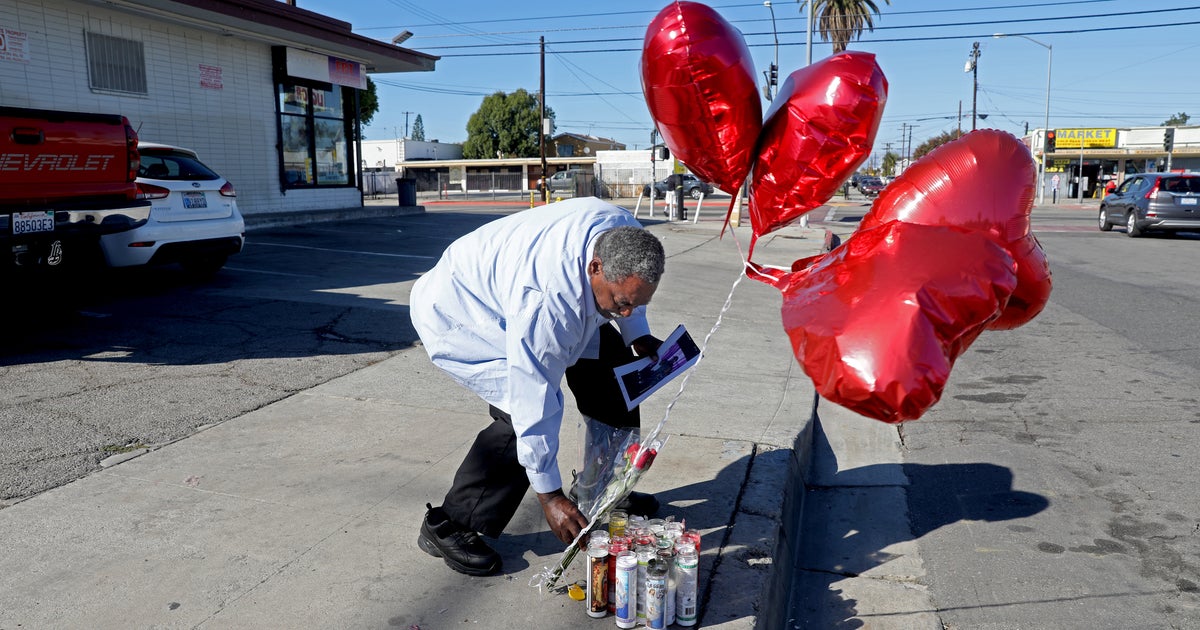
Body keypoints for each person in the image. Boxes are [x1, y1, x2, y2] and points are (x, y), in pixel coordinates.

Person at [409, 197, 667, 576]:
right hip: (465, 311)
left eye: (635, 303)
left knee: (614, 370)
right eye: (621, 303)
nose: (626, 310)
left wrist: (637, 333)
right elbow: (534, 399)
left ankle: (602, 490)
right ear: (595, 266)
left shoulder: (625, 236)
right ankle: (450, 524)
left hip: (521, 288)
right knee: (518, 414)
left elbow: (630, 293)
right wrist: (550, 496)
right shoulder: (547, 303)